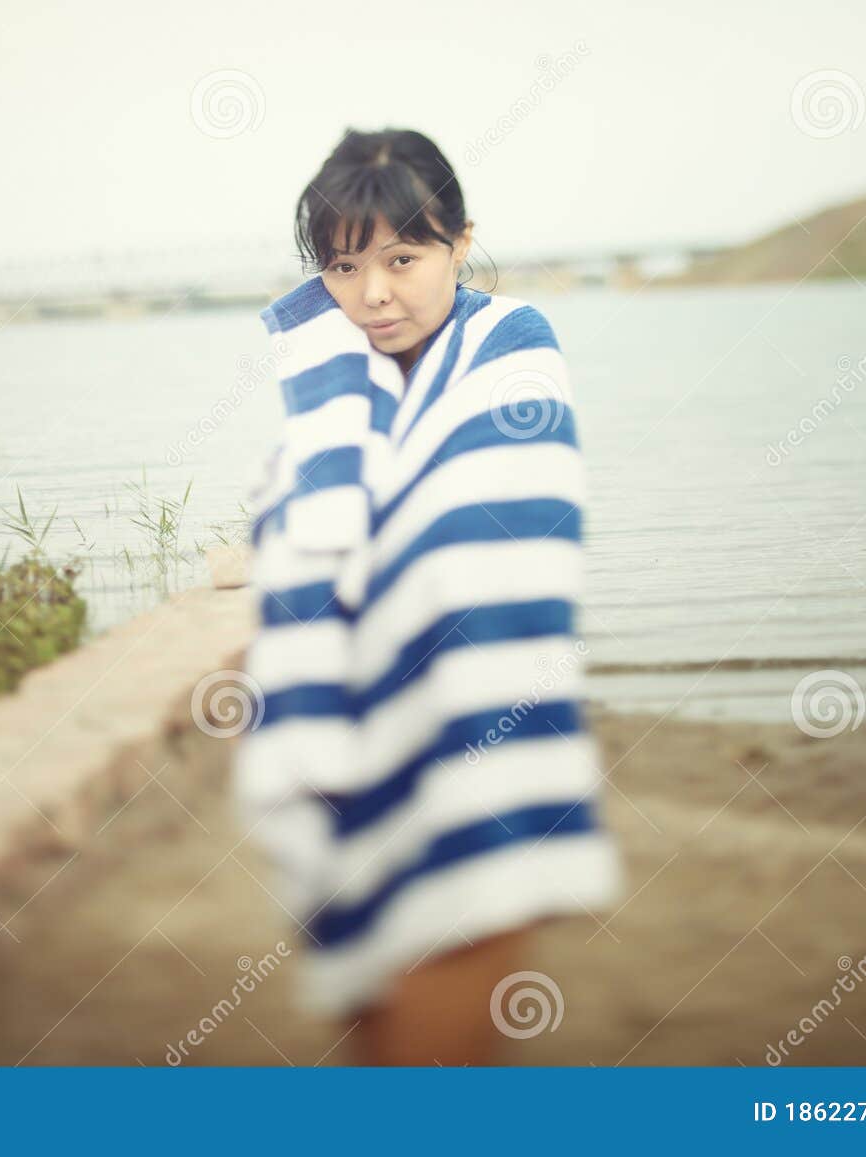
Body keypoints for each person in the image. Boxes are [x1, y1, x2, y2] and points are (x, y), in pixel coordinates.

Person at [234, 127, 622, 1066]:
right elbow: (296, 528)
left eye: (403, 258)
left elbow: (502, 519)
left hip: (474, 706)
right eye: (343, 265)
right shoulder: (332, 389)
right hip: (347, 729)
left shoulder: (508, 350)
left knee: (457, 950)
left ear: (460, 242)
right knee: (374, 1007)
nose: (373, 294)